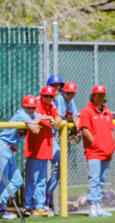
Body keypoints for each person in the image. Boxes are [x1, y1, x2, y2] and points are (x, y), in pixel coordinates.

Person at [0, 95, 41, 220]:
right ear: (24, 107)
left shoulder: (31, 116)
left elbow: (42, 118)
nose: (30, 110)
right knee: (2, 181)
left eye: (33, 108)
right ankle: (0, 209)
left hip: (10, 150)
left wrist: (43, 118)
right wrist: (37, 121)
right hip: (2, 147)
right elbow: (35, 130)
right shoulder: (21, 113)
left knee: (17, 180)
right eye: (28, 108)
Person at [24, 85, 62, 217]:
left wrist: (54, 119)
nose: (48, 98)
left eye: (51, 96)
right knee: (32, 178)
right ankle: (28, 206)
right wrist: (48, 119)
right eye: (46, 96)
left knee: (41, 179)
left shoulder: (52, 106)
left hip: (46, 145)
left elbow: (57, 118)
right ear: (41, 95)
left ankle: (39, 206)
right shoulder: (35, 103)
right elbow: (36, 117)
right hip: (35, 146)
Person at [79, 85, 115, 217]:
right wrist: (94, 143)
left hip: (106, 152)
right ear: (93, 96)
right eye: (97, 95)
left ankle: (99, 204)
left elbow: (110, 130)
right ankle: (93, 206)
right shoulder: (87, 111)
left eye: (101, 96)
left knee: (102, 179)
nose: (99, 98)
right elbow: (84, 129)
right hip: (94, 152)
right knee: (94, 178)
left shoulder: (107, 112)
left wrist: (112, 146)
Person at [47, 81, 80, 213]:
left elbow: (76, 115)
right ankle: (44, 198)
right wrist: (72, 121)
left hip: (61, 138)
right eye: (68, 93)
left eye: (73, 93)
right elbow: (60, 118)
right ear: (63, 92)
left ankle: (47, 197)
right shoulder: (60, 99)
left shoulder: (70, 101)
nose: (70, 95)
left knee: (61, 168)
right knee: (59, 165)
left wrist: (76, 121)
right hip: (52, 137)